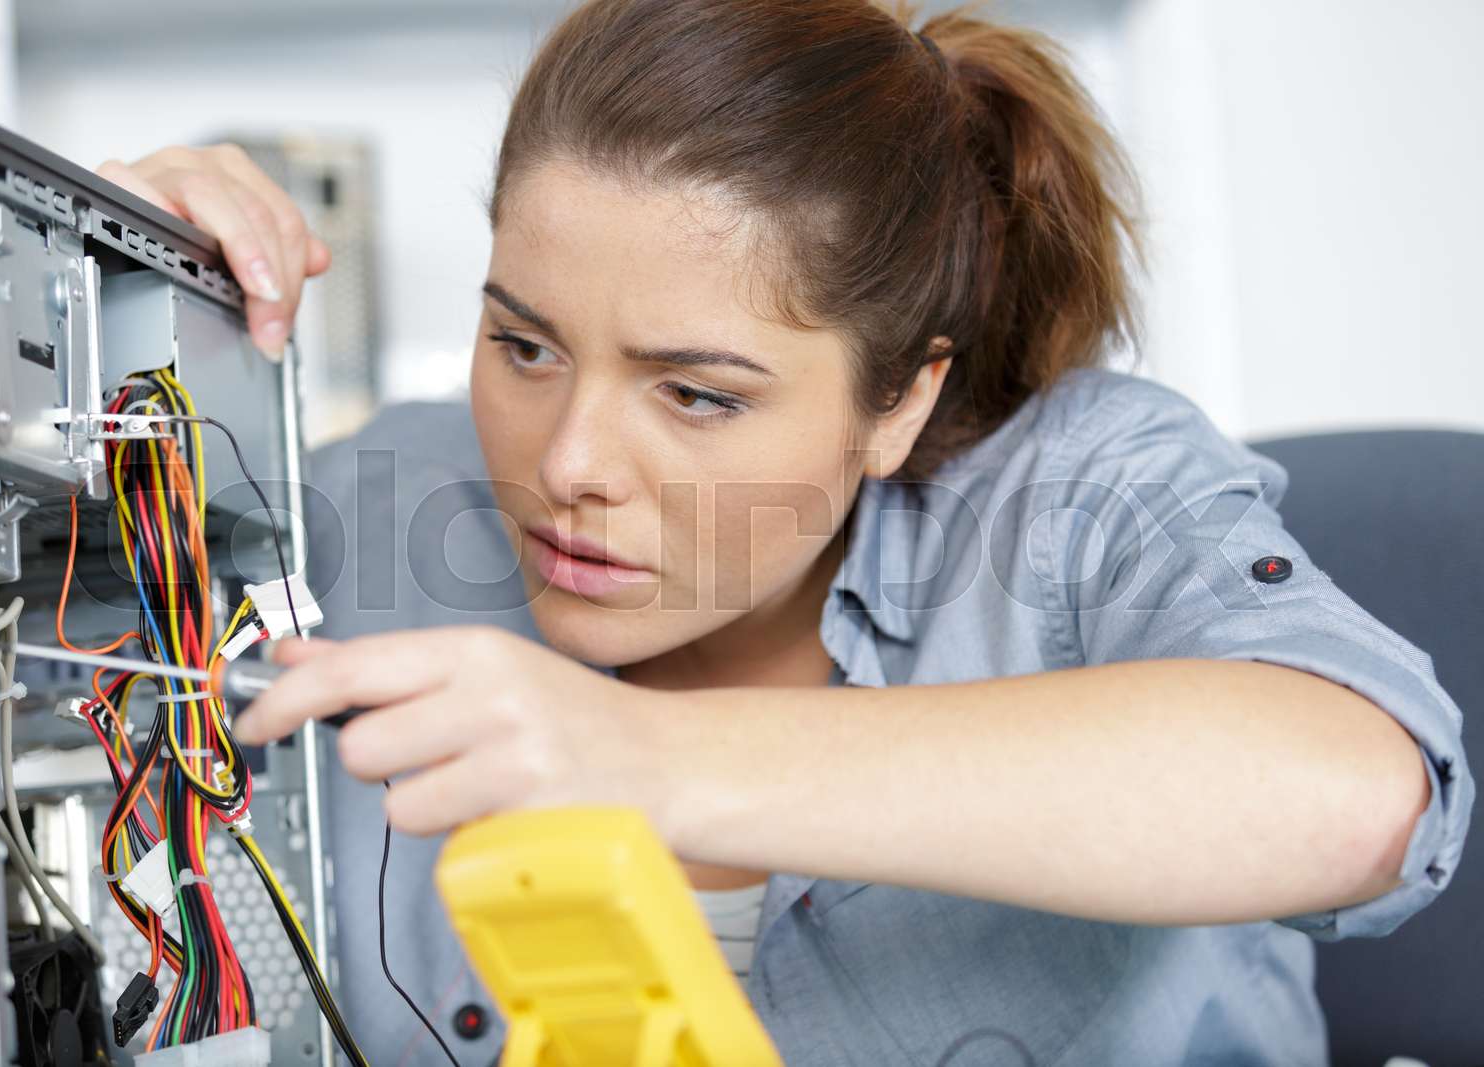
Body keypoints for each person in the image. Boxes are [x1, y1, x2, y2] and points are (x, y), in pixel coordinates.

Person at [105, 1, 1472, 1063]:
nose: (569, 463)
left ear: (901, 398)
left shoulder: (1083, 490)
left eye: (697, 393)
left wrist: (649, 755)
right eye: (522, 343)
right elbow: (27, 700)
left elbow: (1364, 797)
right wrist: (108, 302)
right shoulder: (379, 493)